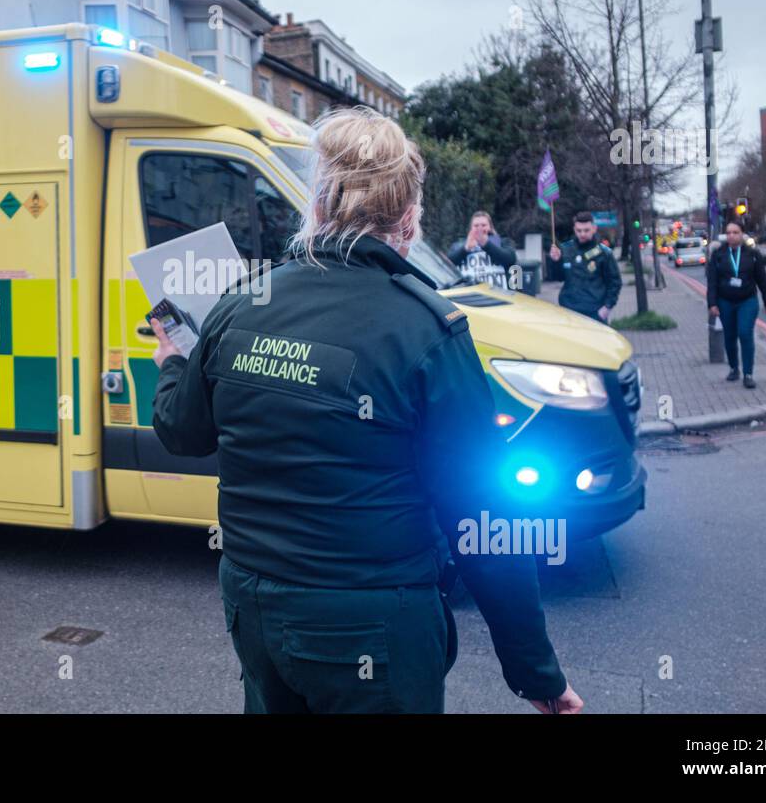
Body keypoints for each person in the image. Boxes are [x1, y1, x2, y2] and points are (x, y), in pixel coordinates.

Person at [148, 107, 581, 714]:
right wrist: (537, 674)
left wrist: (173, 358)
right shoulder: (427, 330)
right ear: (408, 220)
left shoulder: (241, 304)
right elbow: (484, 522)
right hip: (372, 627)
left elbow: (180, 430)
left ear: (317, 206)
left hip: (254, 609)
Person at [707, 221, 766, 389]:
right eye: (728, 232)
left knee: (745, 333)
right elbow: (712, 282)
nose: (731, 235)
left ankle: (748, 374)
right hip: (725, 301)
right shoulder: (718, 255)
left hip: (747, 300)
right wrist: (712, 303)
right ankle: (733, 368)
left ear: (742, 234)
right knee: (729, 337)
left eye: (735, 232)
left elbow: (762, 280)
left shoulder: (752, 254)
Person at [548, 211, 621, 322]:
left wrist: (607, 307)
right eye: (579, 230)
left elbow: (615, 282)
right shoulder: (565, 249)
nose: (582, 234)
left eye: (586, 230)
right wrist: (555, 262)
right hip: (568, 310)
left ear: (594, 229)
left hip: (595, 313)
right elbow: (558, 277)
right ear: (574, 229)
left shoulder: (604, 253)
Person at [446, 211, 517, 289]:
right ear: (471, 228)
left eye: (483, 225)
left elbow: (511, 259)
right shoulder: (459, 245)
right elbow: (448, 264)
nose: (480, 228)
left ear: (490, 227)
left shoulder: (502, 242)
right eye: (476, 226)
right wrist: (465, 249)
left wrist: (486, 244)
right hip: (469, 296)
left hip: (500, 295)